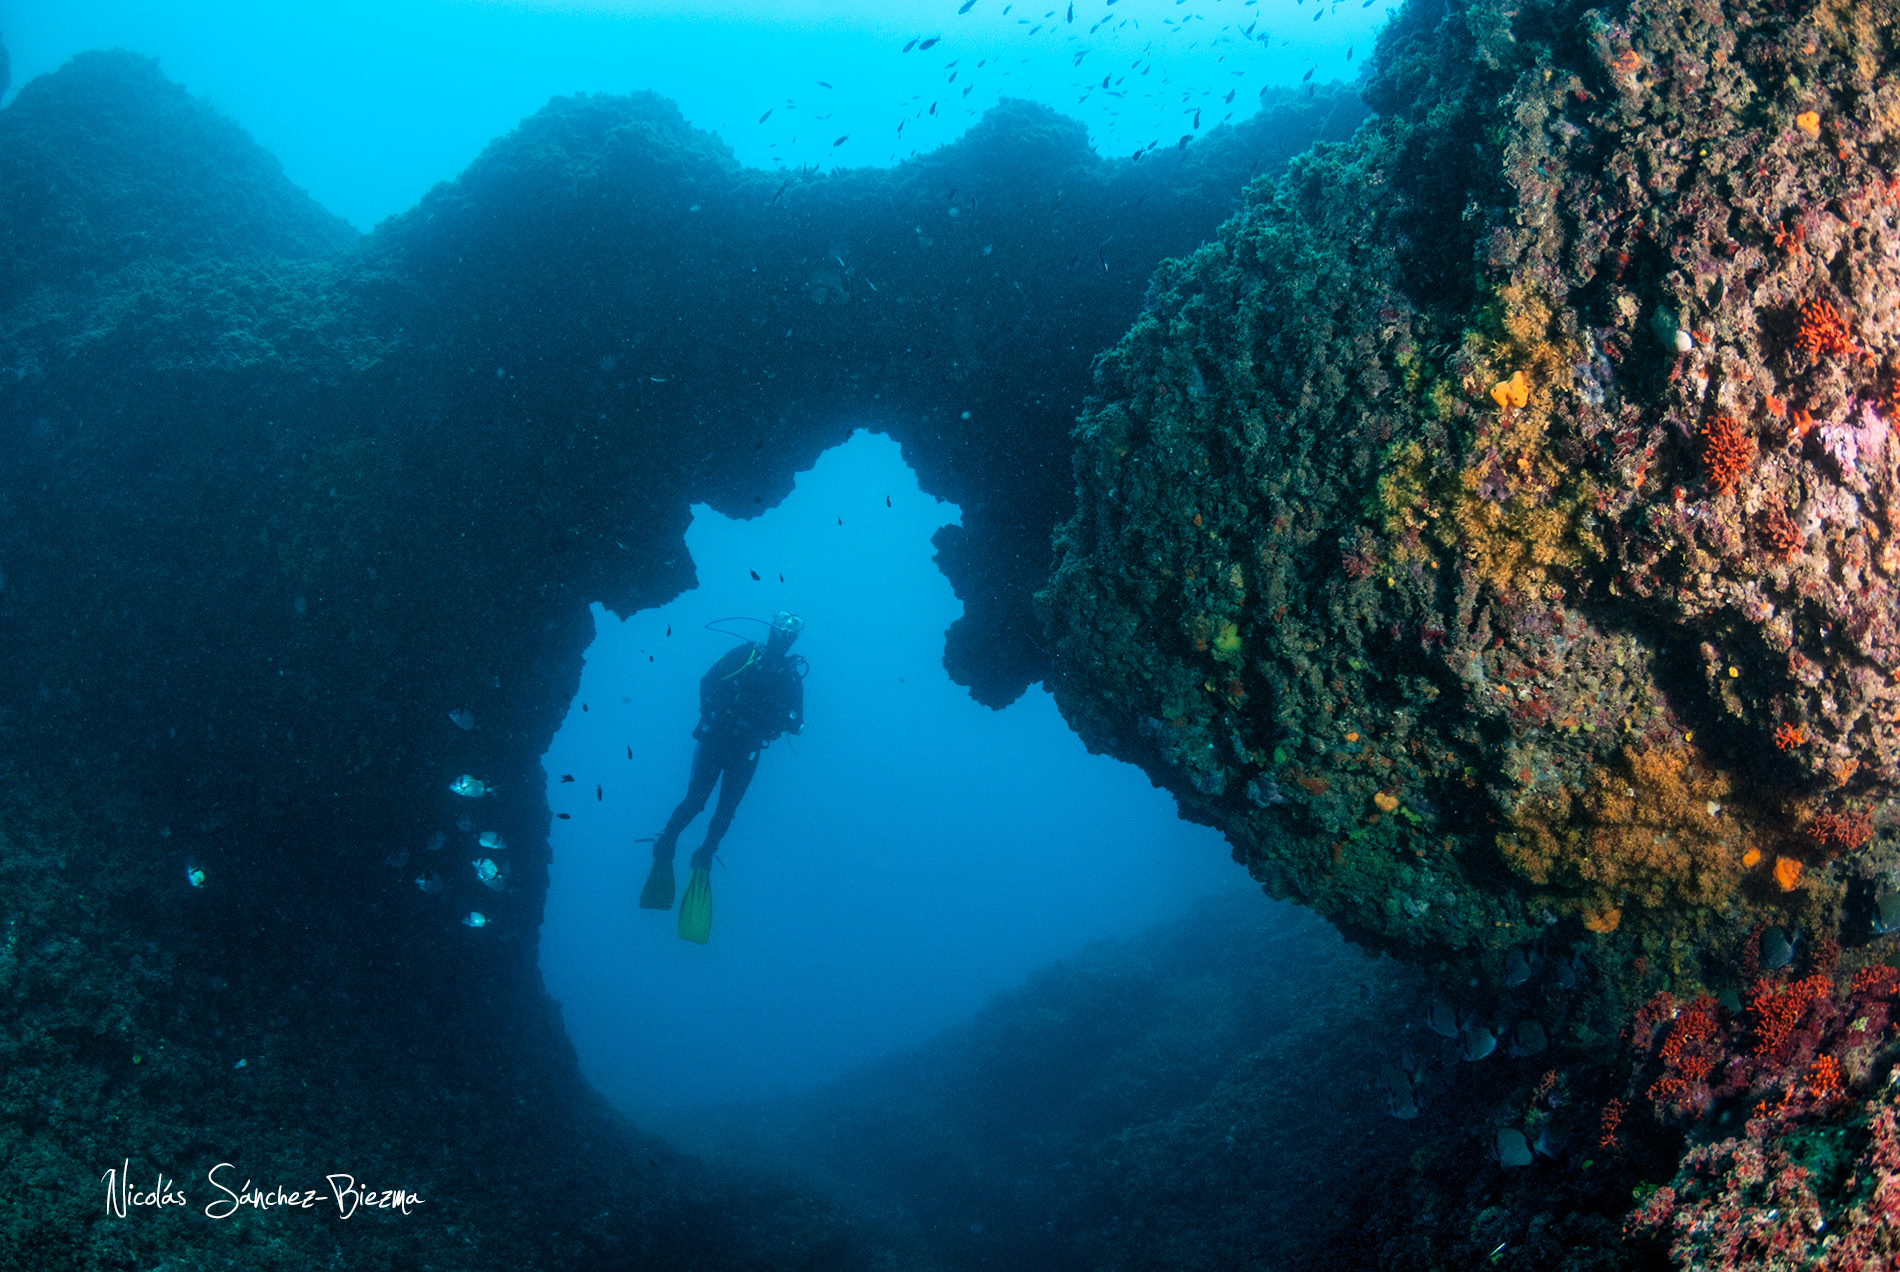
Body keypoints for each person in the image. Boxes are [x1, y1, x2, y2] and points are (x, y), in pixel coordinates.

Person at [639, 611, 805, 942]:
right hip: (718, 738)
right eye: (782, 624)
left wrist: (782, 719)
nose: (785, 632)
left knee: (725, 810)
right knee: (696, 801)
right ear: (772, 628)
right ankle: (666, 843)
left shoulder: (791, 676)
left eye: (792, 628)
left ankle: (703, 856)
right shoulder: (747, 655)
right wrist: (710, 716)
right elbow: (707, 681)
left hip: (747, 749)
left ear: (794, 638)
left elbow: (799, 723)